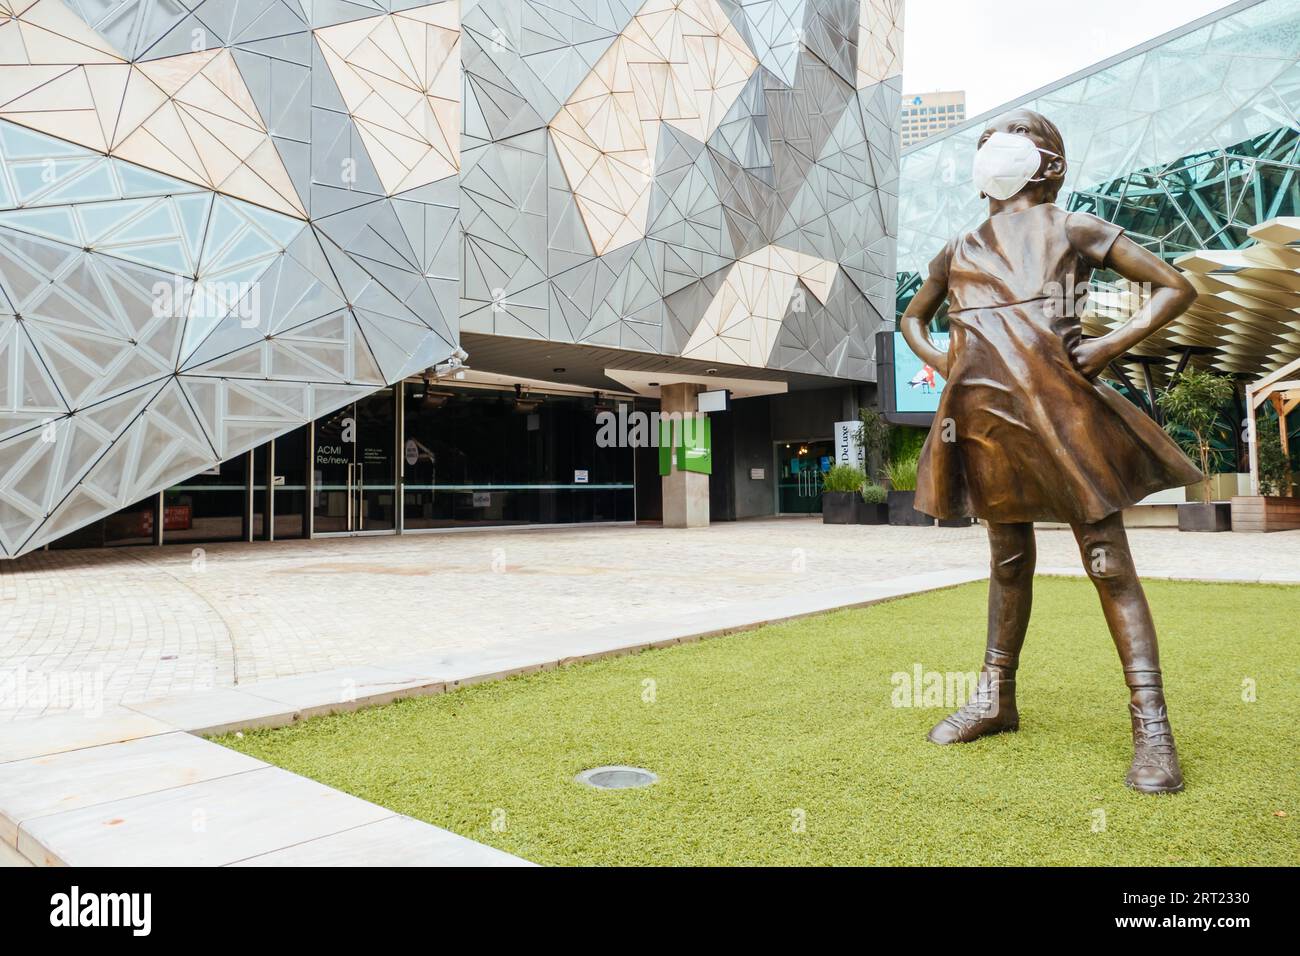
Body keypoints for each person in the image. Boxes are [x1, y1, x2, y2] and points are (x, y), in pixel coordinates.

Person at [899, 109, 1202, 794]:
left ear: (1050, 164)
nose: (993, 150)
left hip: (1062, 415)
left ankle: (1152, 728)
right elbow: (913, 317)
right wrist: (946, 364)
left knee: (1108, 563)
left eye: (1011, 140)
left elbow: (1175, 286)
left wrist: (1107, 345)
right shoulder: (958, 248)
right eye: (986, 143)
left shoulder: (1074, 228)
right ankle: (994, 698)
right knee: (1007, 561)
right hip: (983, 421)